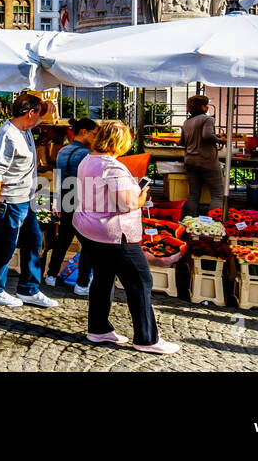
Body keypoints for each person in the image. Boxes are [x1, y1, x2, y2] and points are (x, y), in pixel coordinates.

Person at [75, 120, 179, 354]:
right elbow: (127, 204)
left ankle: (99, 328)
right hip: (114, 233)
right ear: (119, 142)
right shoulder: (112, 167)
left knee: (103, 278)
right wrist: (142, 195)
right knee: (140, 282)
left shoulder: (87, 160)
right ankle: (147, 339)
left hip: (90, 229)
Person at [0, 93, 58, 309]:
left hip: (27, 199)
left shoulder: (26, 127)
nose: (40, 118)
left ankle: (29, 289)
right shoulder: (7, 136)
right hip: (11, 201)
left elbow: (42, 113)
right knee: (5, 246)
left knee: (33, 242)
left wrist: (46, 105)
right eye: (38, 114)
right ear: (29, 113)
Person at [45, 117, 98, 294]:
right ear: (84, 132)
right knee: (89, 244)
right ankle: (82, 284)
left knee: (63, 239)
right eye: (94, 134)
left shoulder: (62, 151)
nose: (95, 138)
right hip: (81, 199)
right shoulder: (86, 154)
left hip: (65, 197)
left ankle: (51, 275)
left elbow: (60, 178)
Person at [182, 95, 226, 216]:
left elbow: (181, 141)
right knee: (217, 194)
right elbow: (207, 135)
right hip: (207, 161)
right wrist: (221, 140)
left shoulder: (187, 122)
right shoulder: (208, 119)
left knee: (193, 194)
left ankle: (191, 223)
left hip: (190, 161)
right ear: (202, 107)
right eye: (206, 105)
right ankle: (213, 224)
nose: (207, 107)